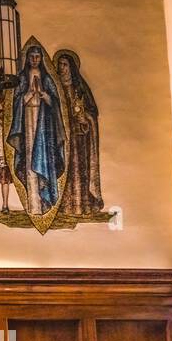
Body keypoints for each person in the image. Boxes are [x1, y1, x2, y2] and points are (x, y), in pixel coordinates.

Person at [6, 44, 66, 217]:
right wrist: (29, 94)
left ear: (41, 59)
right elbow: (16, 101)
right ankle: (33, 205)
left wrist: (45, 96)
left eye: (37, 57)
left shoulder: (47, 79)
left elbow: (55, 103)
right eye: (31, 56)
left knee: (42, 159)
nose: (34, 59)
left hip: (44, 128)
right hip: (27, 125)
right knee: (29, 160)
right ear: (27, 58)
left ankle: (44, 201)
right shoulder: (23, 78)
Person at [55, 50, 104, 215]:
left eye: (65, 64)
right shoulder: (56, 88)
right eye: (59, 64)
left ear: (71, 67)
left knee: (79, 169)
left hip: (79, 136)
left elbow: (92, 112)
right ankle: (65, 205)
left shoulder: (80, 88)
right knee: (65, 169)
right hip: (62, 137)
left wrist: (86, 119)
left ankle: (81, 205)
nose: (62, 68)